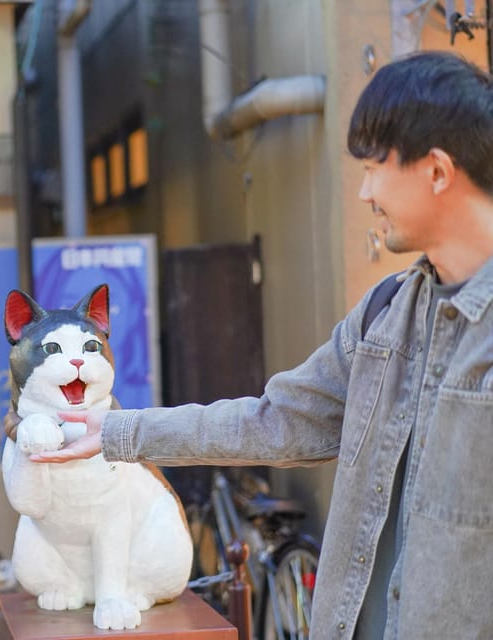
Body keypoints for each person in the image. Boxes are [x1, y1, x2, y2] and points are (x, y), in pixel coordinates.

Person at [31, 50, 493, 639]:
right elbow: (273, 423)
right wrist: (120, 433)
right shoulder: (385, 314)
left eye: (375, 167)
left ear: (436, 171)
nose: (363, 192)